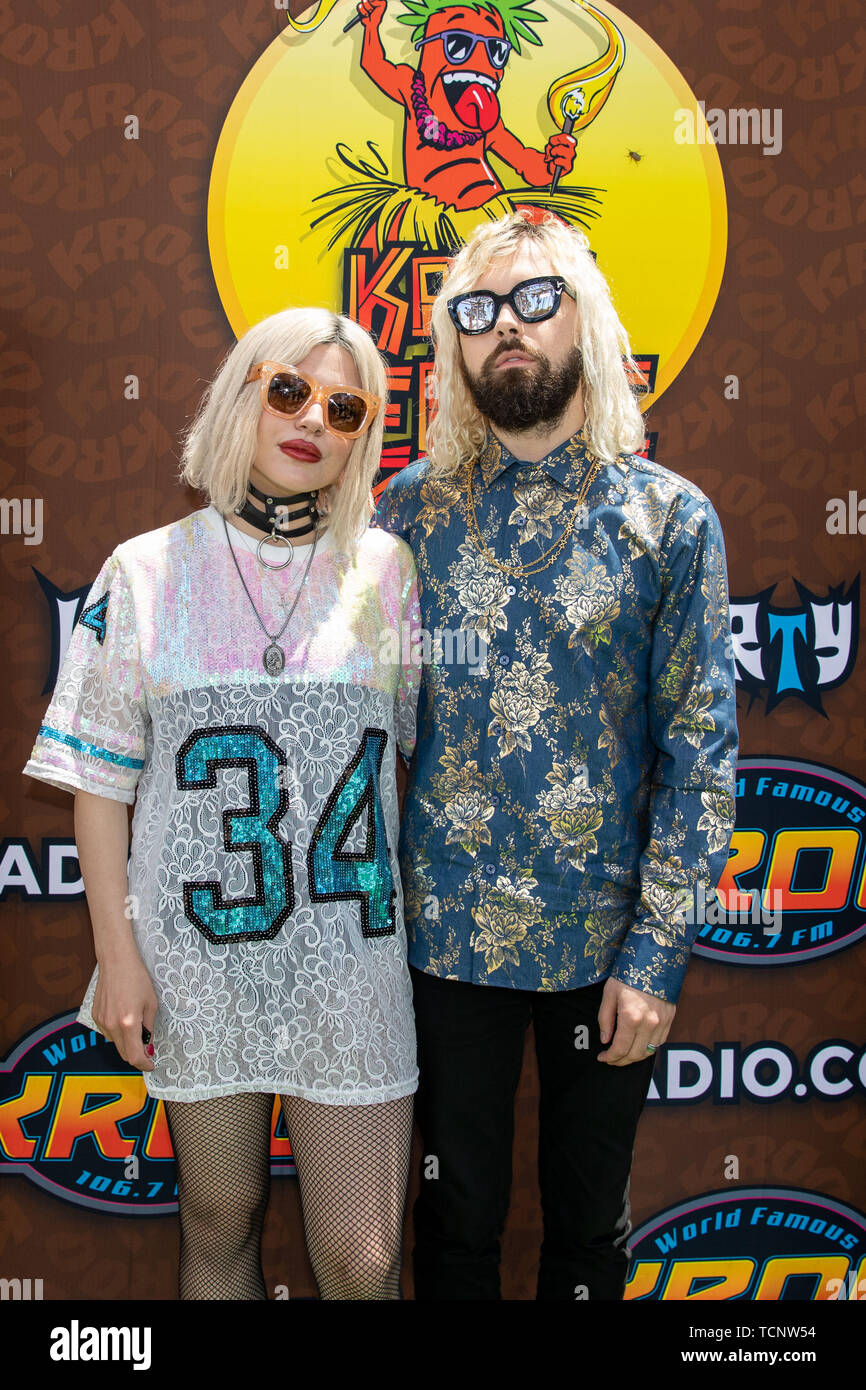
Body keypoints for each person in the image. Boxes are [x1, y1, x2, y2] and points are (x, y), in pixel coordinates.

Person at [371, 209, 738, 1300]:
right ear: (452, 349)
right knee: (453, 1224)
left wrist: (655, 955)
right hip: (440, 946)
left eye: (536, 300)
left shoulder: (668, 519)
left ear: (587, 319)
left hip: (603, 947)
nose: (507, 331)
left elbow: (699, 755)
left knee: (587, 1232)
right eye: (476, 313)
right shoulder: (404, 514)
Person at [23, 307, 422, 1301]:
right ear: (240, 390)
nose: (311, 421)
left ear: (361, 436)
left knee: (361, 1261)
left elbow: (416, 764)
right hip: (199, 963)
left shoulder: (385, 571)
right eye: (287, 389)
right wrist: (119, 958)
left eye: (342, 408)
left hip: (349, 963)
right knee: (216, 1218)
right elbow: (103, 783)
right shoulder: (145, 569)